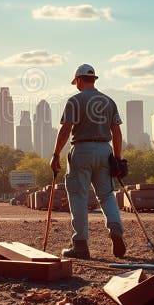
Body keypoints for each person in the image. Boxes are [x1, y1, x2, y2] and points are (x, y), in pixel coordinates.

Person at [51, 64, 126, 259]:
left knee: (78, 196)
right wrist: (118, 158)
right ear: (94, 80)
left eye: (76, 82)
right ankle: (116, 229)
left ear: (79, 80)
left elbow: (66, 129)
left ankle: (80, 245)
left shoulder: (75, 100)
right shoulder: (109, 101)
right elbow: (117, 132)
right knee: (107, 195)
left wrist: (56, 154)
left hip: (82, 150)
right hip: (104, 150)